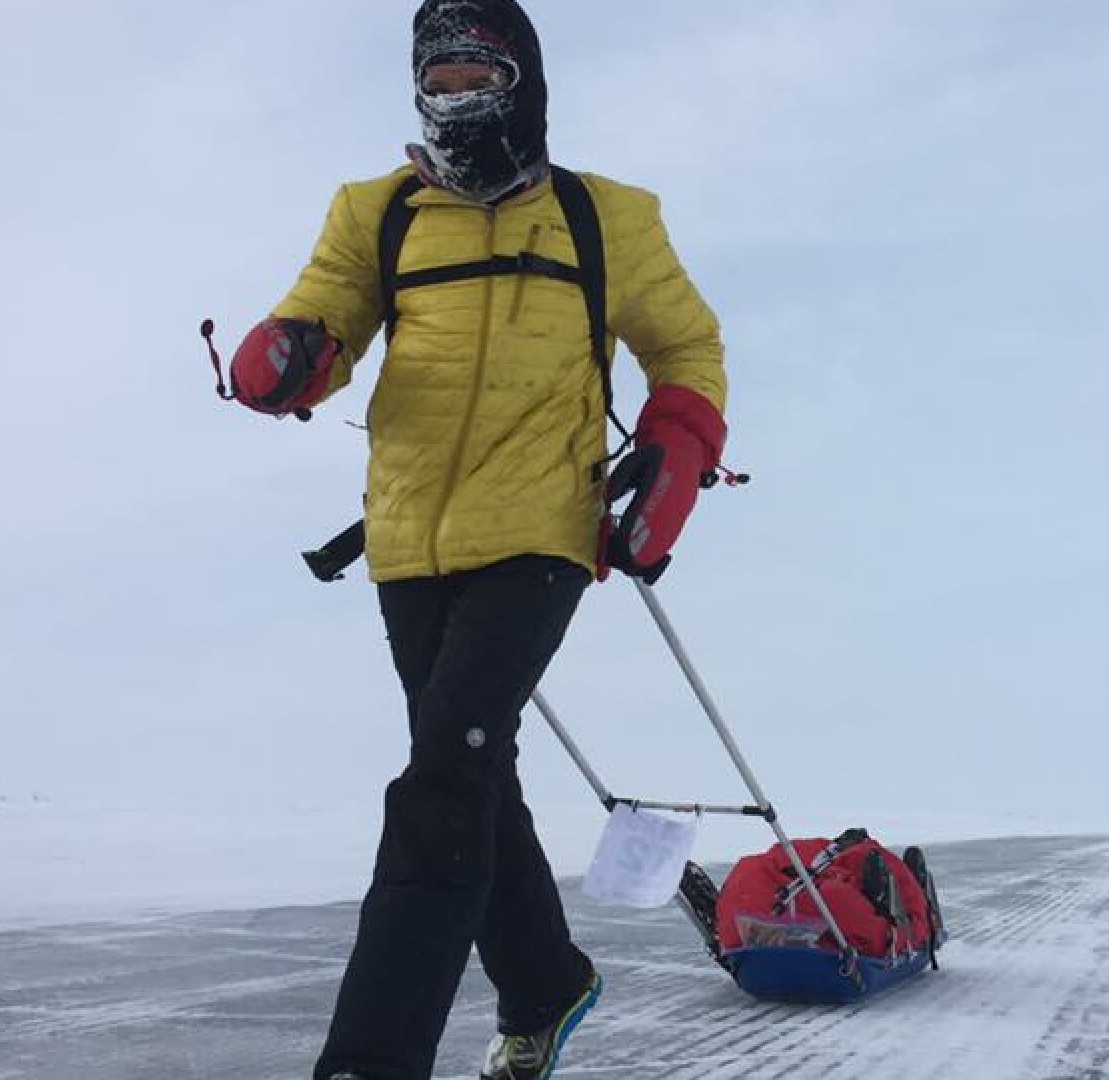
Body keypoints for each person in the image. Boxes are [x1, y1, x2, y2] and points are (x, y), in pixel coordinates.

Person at [224, 2, 728, 1078]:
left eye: (477, 78)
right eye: (438, 82)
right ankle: (546, 984)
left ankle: (370, 1059)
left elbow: (685, 344)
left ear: (522, 82)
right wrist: (291, 356)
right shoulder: (376, 212)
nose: (457, 101)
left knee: (441, 783)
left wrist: (680, 446)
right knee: (474, 769)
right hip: (408, 540)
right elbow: (326, 319)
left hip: (542, 532)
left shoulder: (605, 216)